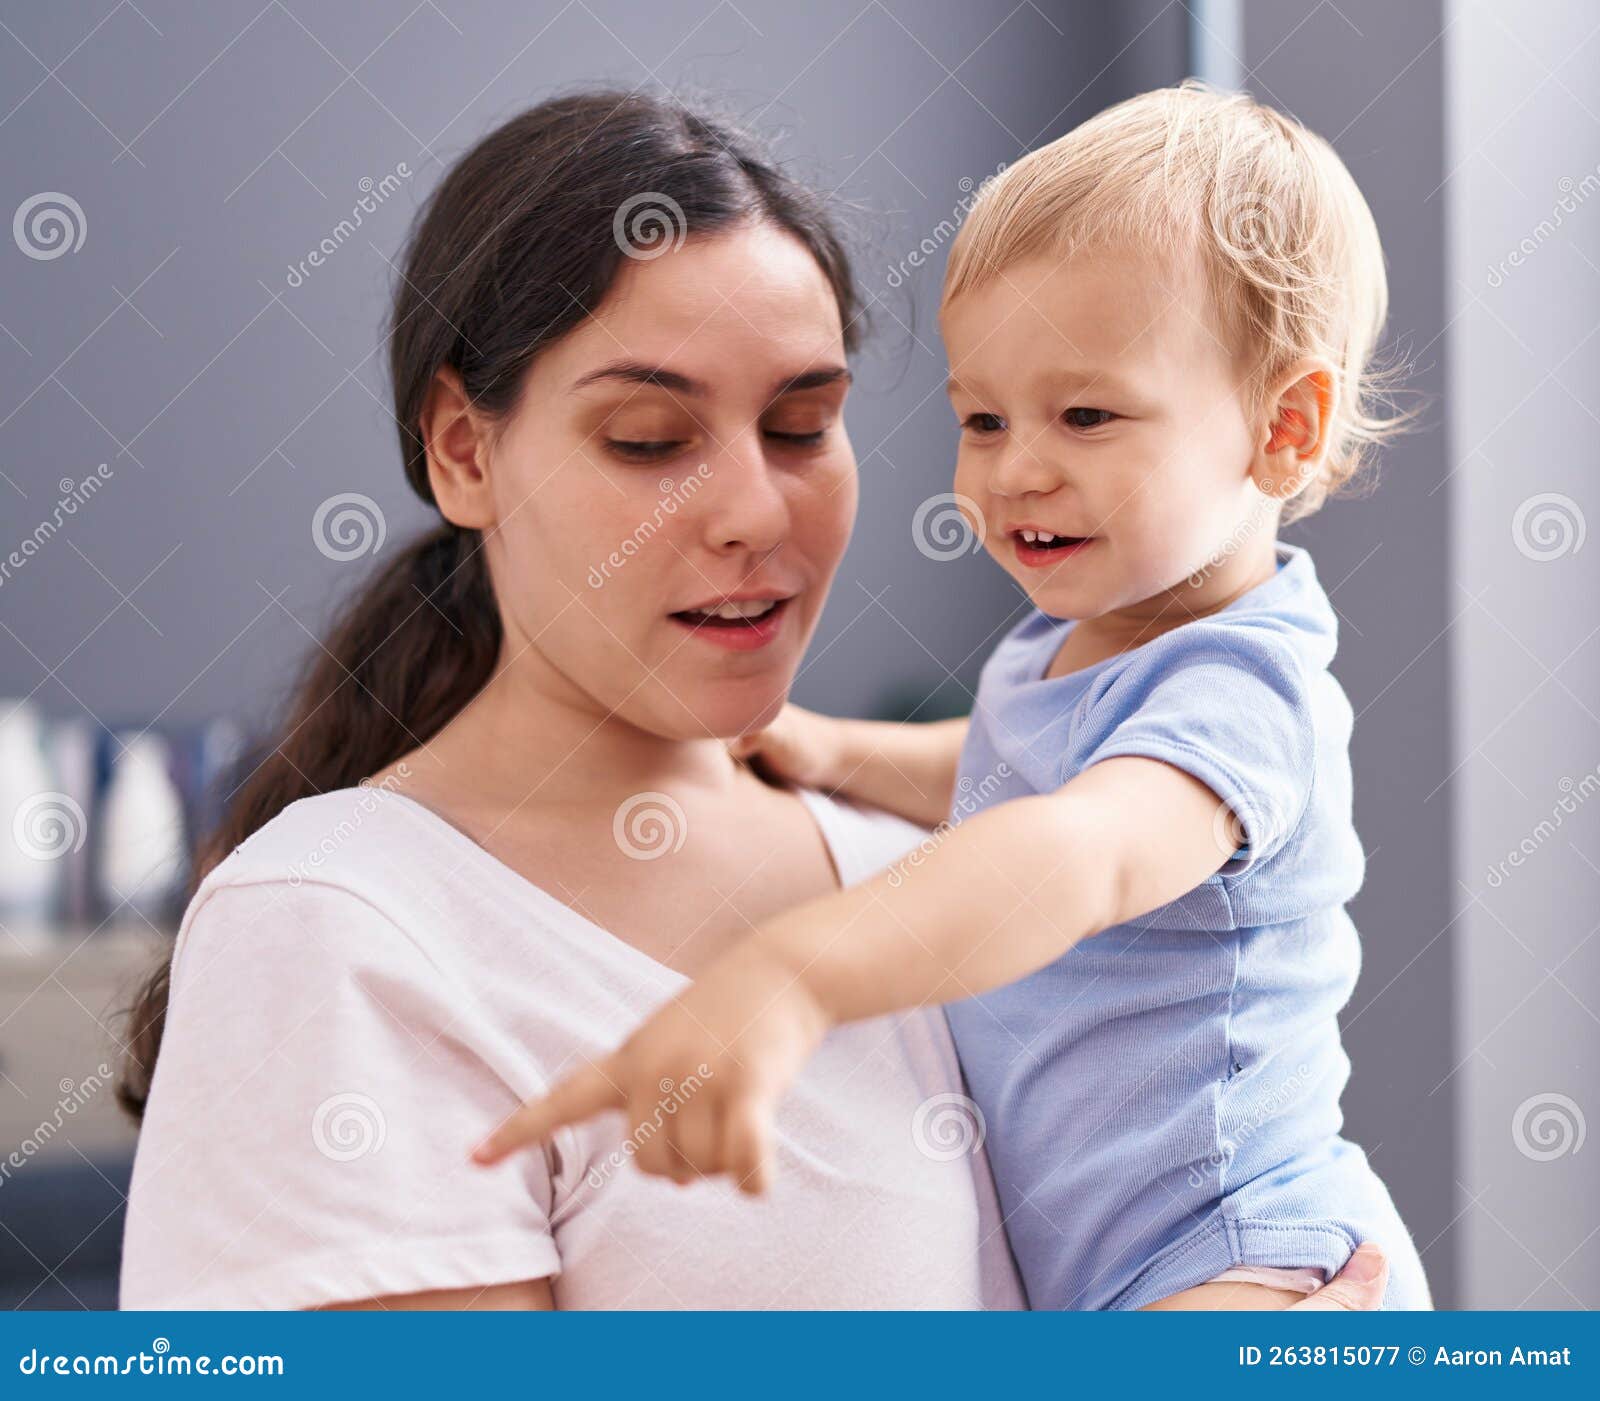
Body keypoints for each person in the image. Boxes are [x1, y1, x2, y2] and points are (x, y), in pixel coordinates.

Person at [476, 83, 1432, 1312]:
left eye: (1085, 415)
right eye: (981, 419)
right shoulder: (1061, 649)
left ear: (1283, 429)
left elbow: (1078, 848)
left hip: (1243, 1258)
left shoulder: (1245, 686)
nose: (1015, 469)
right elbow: (994, 772)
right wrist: (829, 749)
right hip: (1099, 1278)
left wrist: (795, 975)